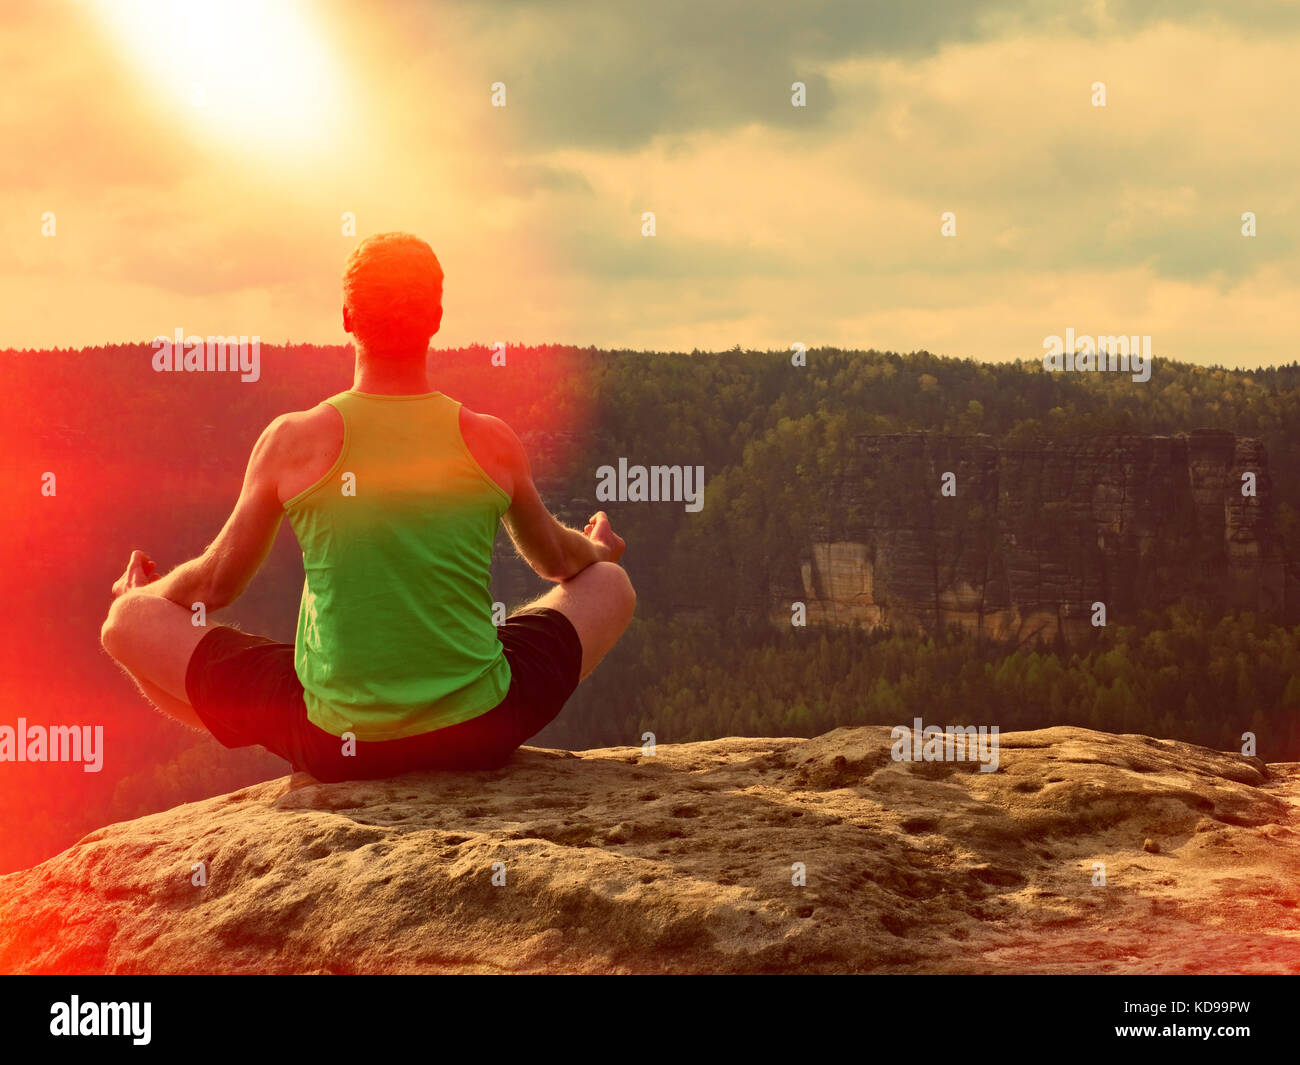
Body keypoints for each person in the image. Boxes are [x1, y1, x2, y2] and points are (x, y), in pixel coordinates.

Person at [100, 232, 635, 781]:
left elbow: (213, 586)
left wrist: (145, 596)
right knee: (610, 582)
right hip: (481, 731)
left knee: (123, 622)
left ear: (347, 318)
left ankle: (267, 731)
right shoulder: (490, 440)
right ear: (437, 318)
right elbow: (557, 562)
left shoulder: (292, 442)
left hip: (336, 743)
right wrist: (596, 550)